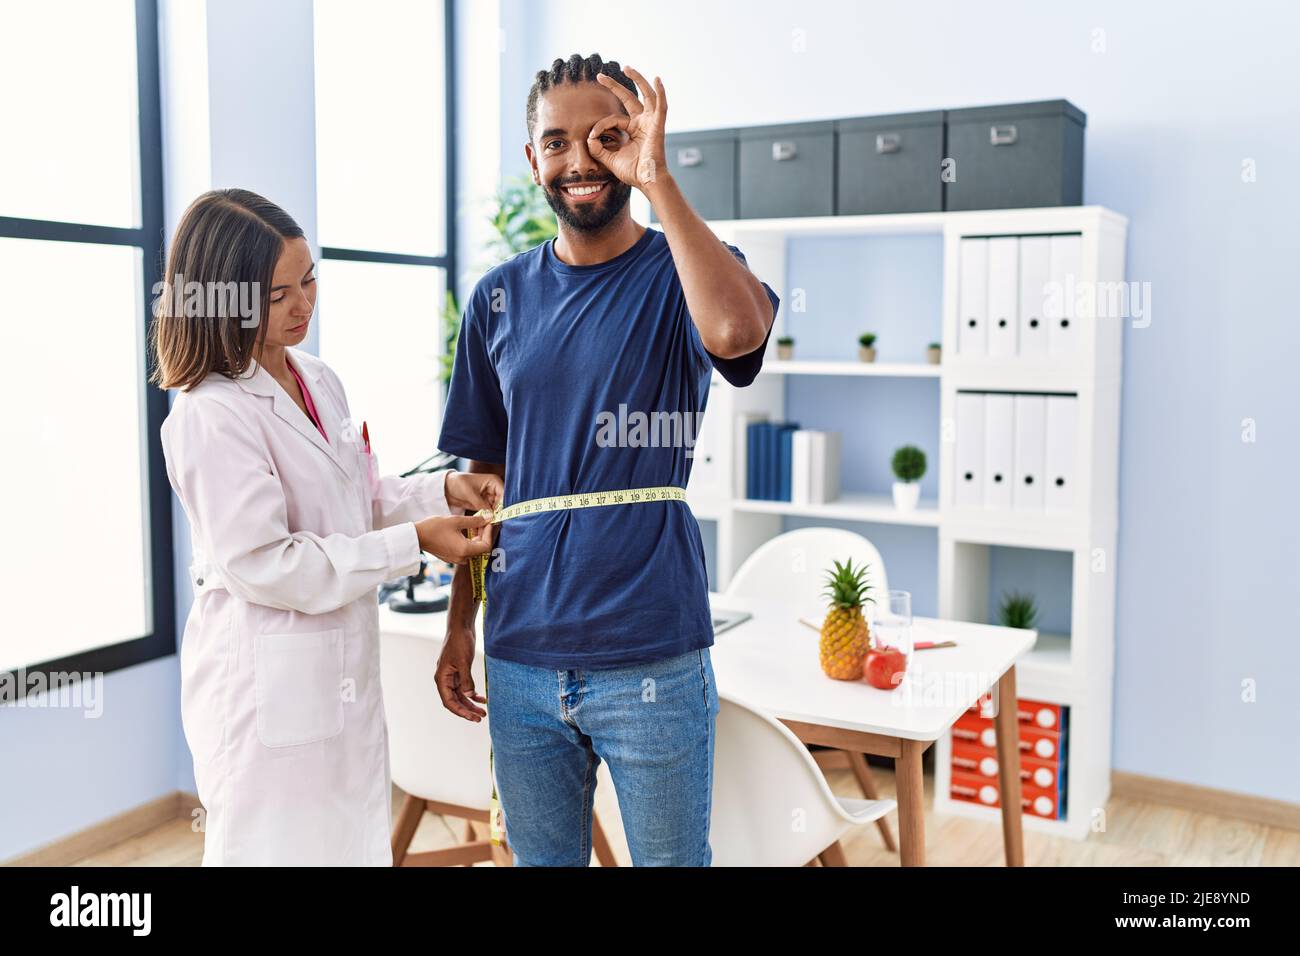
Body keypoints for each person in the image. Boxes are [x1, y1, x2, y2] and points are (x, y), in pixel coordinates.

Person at [435, 54, 779, 866]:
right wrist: (458, 625)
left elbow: (735, 338)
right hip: (520, 655)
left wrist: (658, 181)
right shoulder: (496, 299)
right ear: (532, 161)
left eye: (608, 137)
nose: (581, 161)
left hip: (650, 650)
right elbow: (483, 483)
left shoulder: (687, 268)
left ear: (639, 142)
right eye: (556, 143)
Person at [153, 188, 502, 865]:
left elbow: (357, 499)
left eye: (308, 279)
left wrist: (444, 490)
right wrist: (415, 544)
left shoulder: (319, 379)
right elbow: (266, 562)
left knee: (348, 846)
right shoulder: (210, 413)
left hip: (337, 680)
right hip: (263, 693)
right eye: (277, 294)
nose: (302, 304)